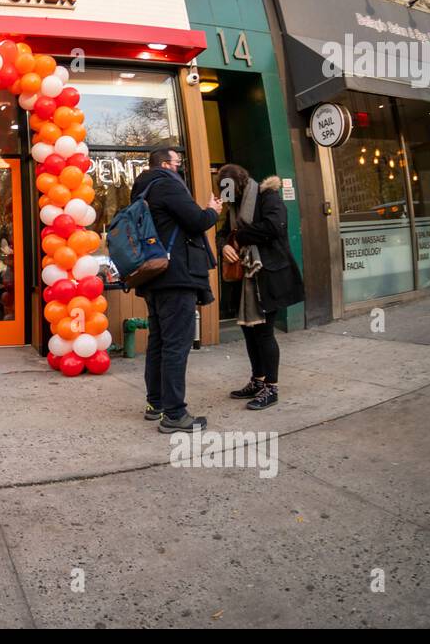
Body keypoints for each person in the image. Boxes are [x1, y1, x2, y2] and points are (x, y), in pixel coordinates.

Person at [130, 146, 221, 433]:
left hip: (154, 277)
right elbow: (196, 221)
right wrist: (212, 211)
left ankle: (155, 403)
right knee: (176, 345)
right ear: (167, 165)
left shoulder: (142, 189)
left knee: (158, 341)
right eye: (179, 162)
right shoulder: (168, 185)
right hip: (176, 276)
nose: (180, 167)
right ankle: (174, 415)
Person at [217, 163, 304, 410]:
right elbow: (224, 232)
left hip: (268, 274)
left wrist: (239, 237)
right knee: (249, 332)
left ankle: (271, 387)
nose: (228, 198)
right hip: (246, 279)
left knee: (265, 333)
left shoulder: (268, 196)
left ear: (240, 184)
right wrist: (224, 244)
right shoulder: (234, 205)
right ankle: (257, 380)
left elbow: (275, 227)